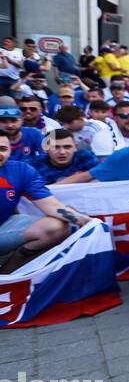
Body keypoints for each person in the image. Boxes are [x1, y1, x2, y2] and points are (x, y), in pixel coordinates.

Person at [0, 136, 92, 271]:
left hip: (4, 226)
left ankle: (8, 276)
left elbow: (51, 205)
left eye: (3, 149)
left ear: (10, 151)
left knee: (57, 227)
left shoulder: (21, 170)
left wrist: (85, 221)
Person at [29, 129, 99, 184]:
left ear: (75, 147)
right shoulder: (34, 166)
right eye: (55, 147)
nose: (62, 152)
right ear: (45, 148)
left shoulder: (87, 159)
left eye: (67, 147)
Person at [0, 97, 44, 163]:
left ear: (22, 120)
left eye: (13, 120)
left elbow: (46, 157)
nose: (9, 125)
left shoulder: (34, 134)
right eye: (3, 121)